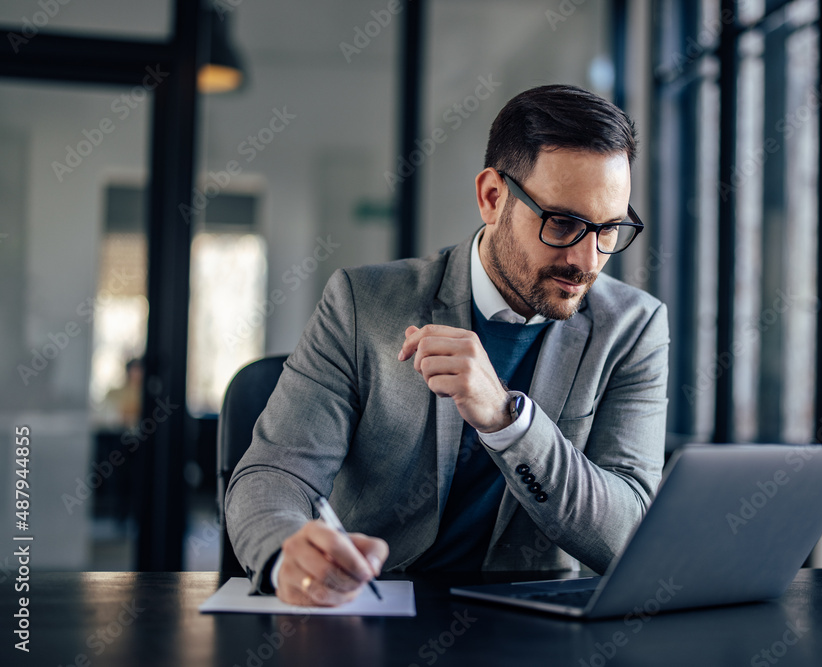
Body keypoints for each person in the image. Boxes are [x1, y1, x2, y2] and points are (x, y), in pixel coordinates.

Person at [226, 84, 669, 607]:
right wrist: (286, 552)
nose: (587, 259)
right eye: (564, 223)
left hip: (534, 628)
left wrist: (509, 422)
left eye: (609, 229)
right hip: (374, 612)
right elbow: (273, 474)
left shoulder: (633, 328)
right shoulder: (362, 304)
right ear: (492, 197)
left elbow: (627, 536)